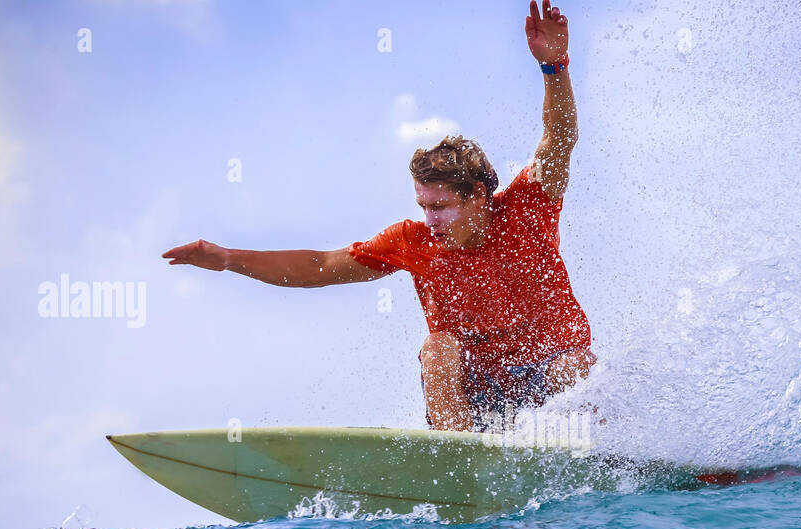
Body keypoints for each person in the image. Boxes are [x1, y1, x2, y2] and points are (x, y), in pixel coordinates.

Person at [163, 1, 596, 433]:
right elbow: (321, 267)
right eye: (424, 206)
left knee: (574, 365)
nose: (430, 219)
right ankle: (460, 458)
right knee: (438, 348)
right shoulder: (412, 242)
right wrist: (228, 259)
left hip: (554, 389)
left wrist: (554, 67)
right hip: (480, 393)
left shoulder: (527, 207)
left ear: (478, 195)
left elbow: (559, 138)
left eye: (441, 206)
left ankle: (578, 453)